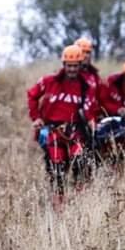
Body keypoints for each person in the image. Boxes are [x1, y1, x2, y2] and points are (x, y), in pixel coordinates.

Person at [27, 45, 99, 196]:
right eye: (69, 66)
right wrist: (36, 117)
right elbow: (32, 95)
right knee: (56, 168)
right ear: (64, 64)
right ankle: (58, 202)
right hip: (52, 130)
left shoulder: (86, 86)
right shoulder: (48, 81)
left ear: (80, 65)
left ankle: (80, 200)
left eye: (75, 66)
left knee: (80, 163)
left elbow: (89, 110)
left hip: (76, 131)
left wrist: (92, 123)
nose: (72, 69)